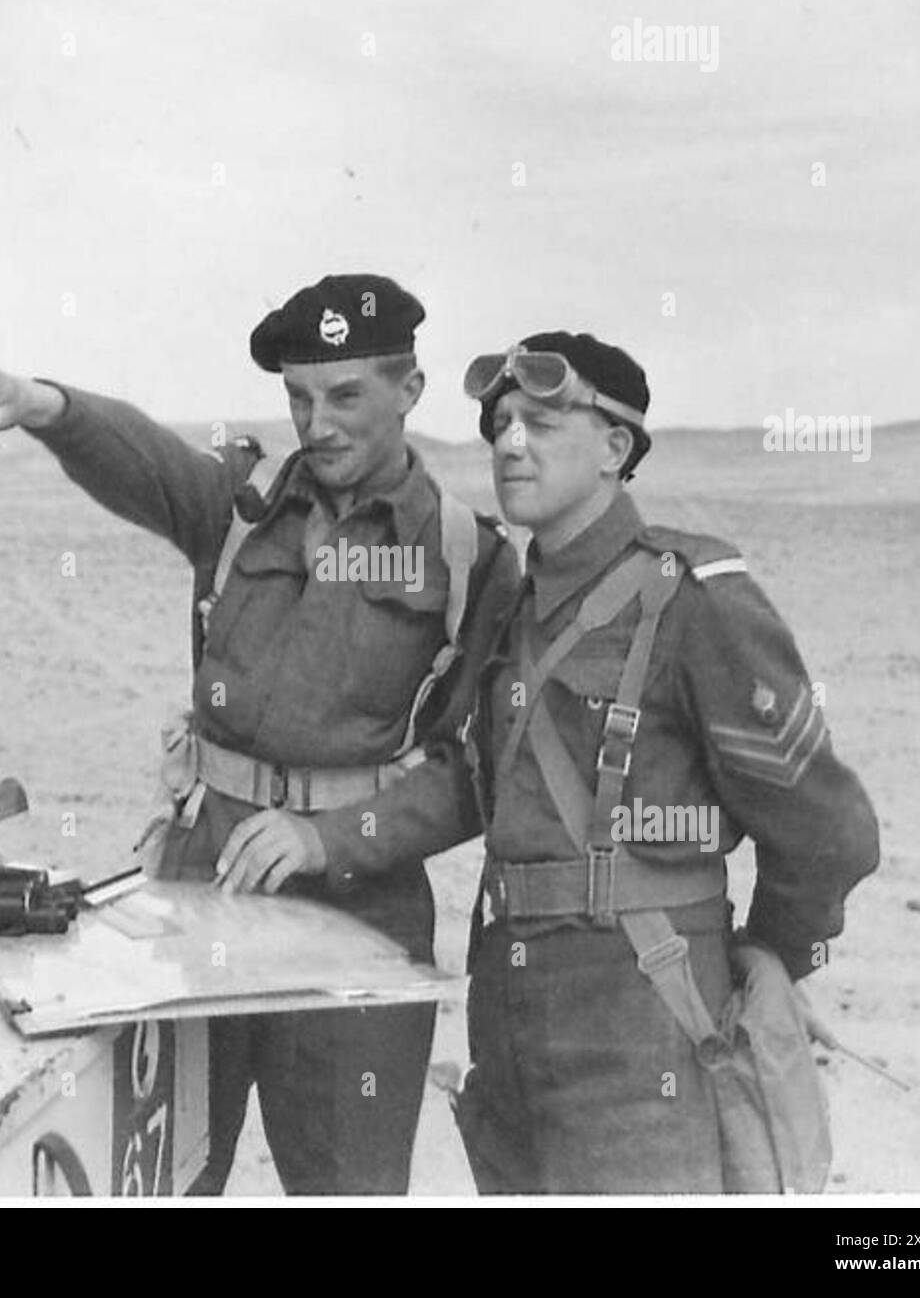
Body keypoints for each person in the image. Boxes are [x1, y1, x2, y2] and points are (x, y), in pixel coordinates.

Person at [0, 273, 521, 1195]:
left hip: (354, 920)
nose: (317, 424)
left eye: (345, 397)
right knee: (165, 1171)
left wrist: (325, 839)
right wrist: (44, 406)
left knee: (347, 1187)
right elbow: (143, 460)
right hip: (198, 896)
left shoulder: (466, 556)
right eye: (298, 398)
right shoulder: (239, 511)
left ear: (410, 391)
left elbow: (476, 769)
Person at [305, 329, 880, 1193]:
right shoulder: (511, 602)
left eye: (540, 421)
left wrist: (772, 955)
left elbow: (830, 827)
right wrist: (325, 840)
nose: (508, 442)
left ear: (616, 447)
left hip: (641, 1018)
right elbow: (474, 780)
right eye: (499, 422)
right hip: (508, 1005)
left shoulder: (690, 600)